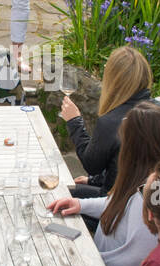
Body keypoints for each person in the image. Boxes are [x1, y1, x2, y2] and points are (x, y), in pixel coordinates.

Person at [47, 102, 160, 266]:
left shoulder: (153, 194)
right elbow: (120, 204)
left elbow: (136, 260)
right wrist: (80, 204)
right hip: (100, 259)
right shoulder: (143, 179)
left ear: (134, 149)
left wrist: (90, 258)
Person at [59, 45, 152, 194]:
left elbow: (91, 165)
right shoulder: (158, 110)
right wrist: (93, 181)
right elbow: (128, 166)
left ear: (113, 81)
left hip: (114, 202)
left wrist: (75, 122)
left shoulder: (112, 122)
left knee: (55, 194)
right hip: (143, 195)